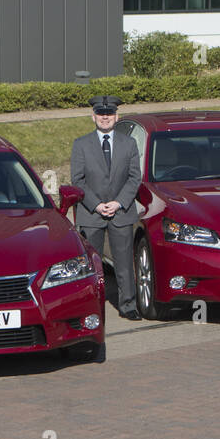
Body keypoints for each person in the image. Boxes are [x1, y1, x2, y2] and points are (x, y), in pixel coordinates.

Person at [70, 95, 142, 320]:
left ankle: (128, 305)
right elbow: (78, 180)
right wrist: (97, 205)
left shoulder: (128, 143)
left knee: (124, 264)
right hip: (92, 214)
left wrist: (118, 202)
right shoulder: (81, 144)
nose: (105, 118)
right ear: (93, 117)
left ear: (116, 116)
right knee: (91, 267)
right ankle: (91, 307)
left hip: (121, 211)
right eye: (101, 114)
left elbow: (134, 178)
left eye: (109, 114)